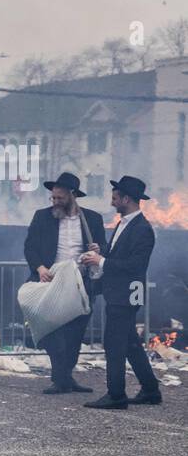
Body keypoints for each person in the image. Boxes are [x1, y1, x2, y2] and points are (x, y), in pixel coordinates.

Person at [81, 176, 161, 410]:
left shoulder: (142, 229)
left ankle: (116, 395)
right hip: (120, 291)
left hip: (126, 293)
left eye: (115, 198)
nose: (112, 202)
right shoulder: (125, 223)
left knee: (114, 344)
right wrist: (102, 250)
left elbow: (135, 265)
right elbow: (119, 254)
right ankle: (150, 390)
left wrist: (101, 260)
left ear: (127, 198)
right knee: (130, 343)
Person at [23, 171, 106, 394]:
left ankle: (65, 377)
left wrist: (97, 251)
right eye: (53, 198)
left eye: (60, 198)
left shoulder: (93, 219)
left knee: (75, 333)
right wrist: (39, 268)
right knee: (52, 332)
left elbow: (103, 249)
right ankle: (59, 377)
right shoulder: (42, 216)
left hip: (81, 283)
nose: (55, 202)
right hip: (50, 280)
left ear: (72, 195)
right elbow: (30, 247)